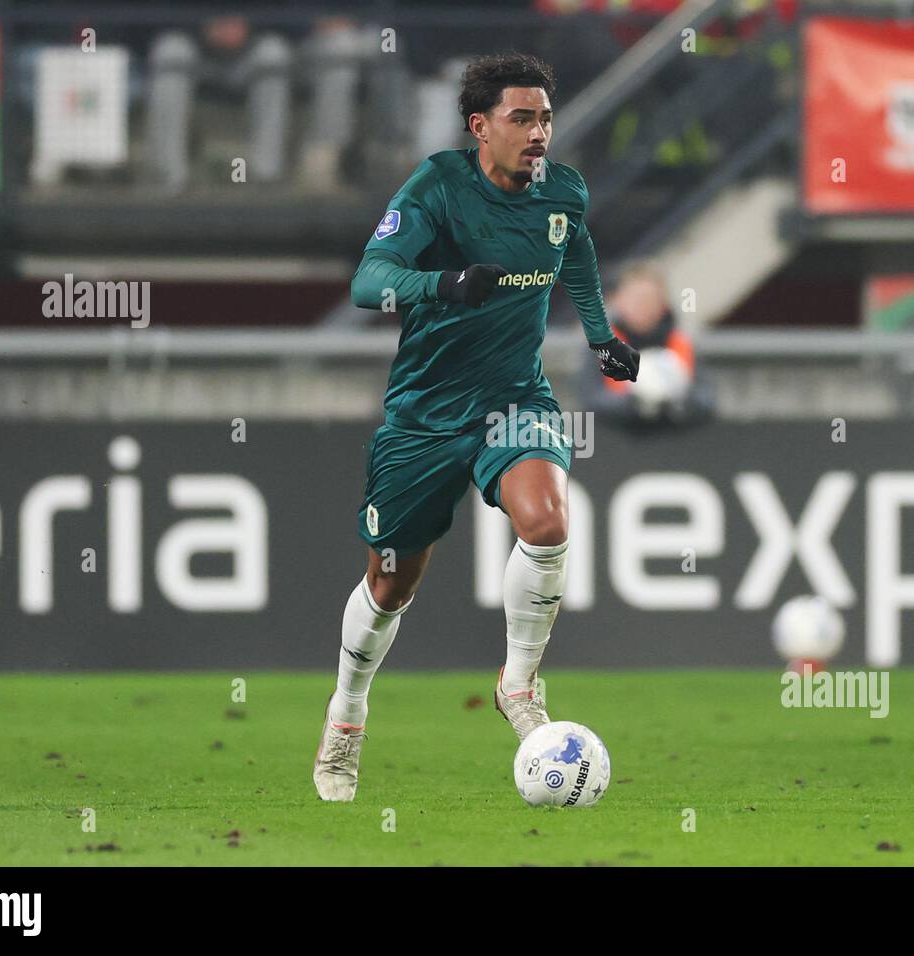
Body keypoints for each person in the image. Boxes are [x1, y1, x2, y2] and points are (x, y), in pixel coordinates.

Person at [313, 52, 640, 802]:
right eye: (522, 118)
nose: (538, 133)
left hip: (513, 400)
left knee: (548, 522)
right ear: (479, 126)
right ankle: (347, 714)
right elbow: (370, 281)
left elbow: (576, 248)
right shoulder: (437, 187)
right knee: (391, 582)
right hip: (424, 416)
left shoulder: (563, 192)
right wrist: (444, 283)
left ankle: (519, 684)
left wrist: (599, 336)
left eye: (546, 118)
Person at [579, 263, 713, 428]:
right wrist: (635, 401)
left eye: (649, 299)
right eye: (636, 298)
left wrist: (677, 401)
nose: (642, 306)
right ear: (619, 300)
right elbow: (589, 399)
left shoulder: (681, 344)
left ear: (663, 303)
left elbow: (705, 399)